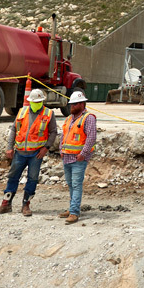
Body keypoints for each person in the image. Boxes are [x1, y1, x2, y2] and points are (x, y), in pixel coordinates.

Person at [0, 87, 57, 217]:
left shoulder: (48, 114)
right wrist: (9, 147)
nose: (36, 104)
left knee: (32, 178)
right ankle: (6, 204)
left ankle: (26, 204)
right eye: (34, 102)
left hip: (36, 154)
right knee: (13, 177)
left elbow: (53, 132)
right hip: (20, 152)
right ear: (29, 101)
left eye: (38, 102)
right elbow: (14, 129)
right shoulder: (22, 112)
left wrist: (46, 148)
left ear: (42, 102)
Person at [58, 90, 97, 224]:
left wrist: (83, 154)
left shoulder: (88, 118)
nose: (72, 107)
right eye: (71, 105)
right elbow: (63, 135)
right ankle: (72, 208)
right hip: (67, 157)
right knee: (70, 184)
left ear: (81, 104)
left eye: (74, 105)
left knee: (76, 184)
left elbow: (91, 138)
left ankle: (74, 212)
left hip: (78, 158)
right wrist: (61, 149)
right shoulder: (69, 118)